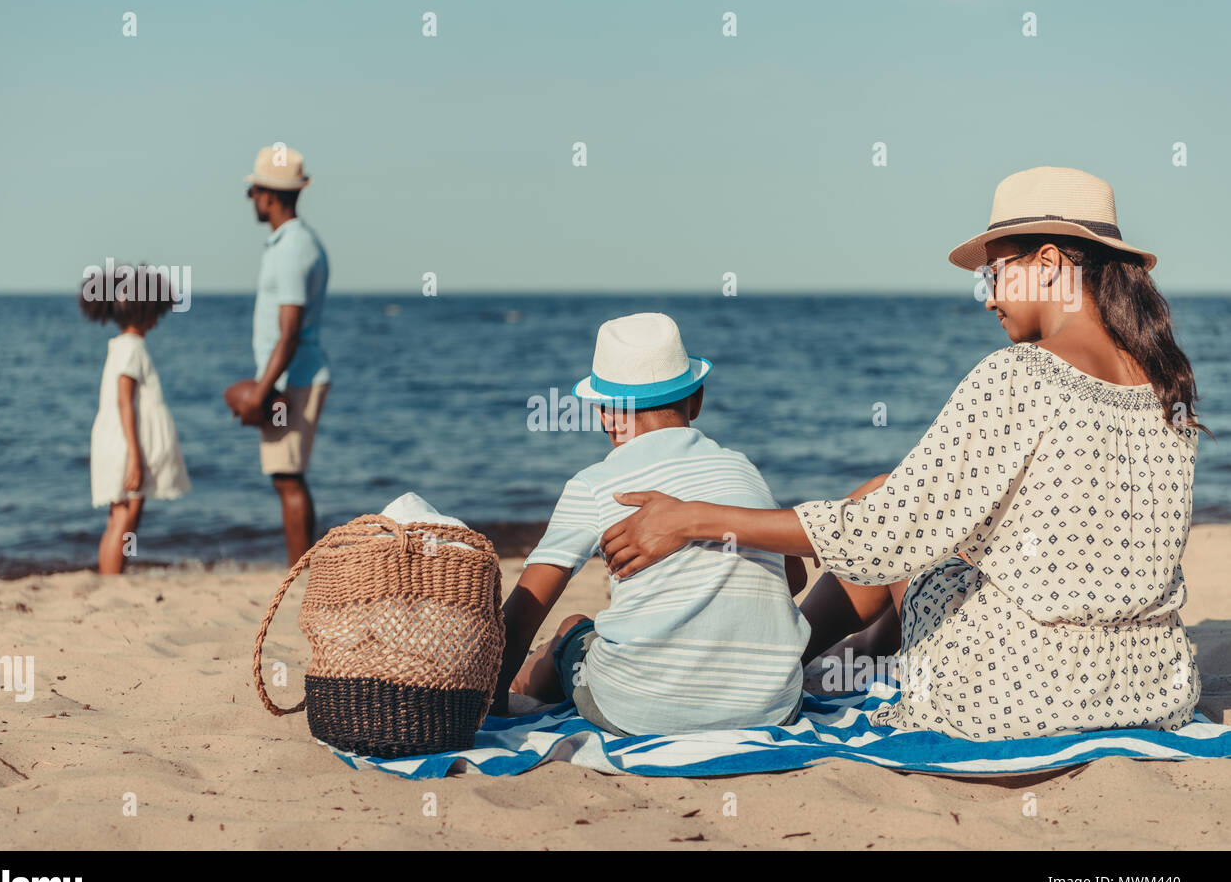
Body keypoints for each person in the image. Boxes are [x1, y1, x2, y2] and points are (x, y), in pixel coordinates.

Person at [599, 167, 1206, 740]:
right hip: (1151, 688)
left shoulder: (1019, 375)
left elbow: (882, 535)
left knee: (882, 511)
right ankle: (847, 650)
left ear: (1047, 264)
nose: (990, 298)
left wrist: (693, 517)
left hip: (1025, 695)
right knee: (907, 513)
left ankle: (790, 655)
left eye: (994, 275)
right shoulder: (1166, 383)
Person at [491, 312, 813, 736]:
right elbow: (791, 579)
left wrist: (488, 703)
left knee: (571, 630)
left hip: (637, 712)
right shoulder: (740, 468)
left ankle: (519, 689)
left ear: (606, 415)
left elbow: (528, 606)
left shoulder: (596, 484)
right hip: (771, 708)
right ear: (695, 401)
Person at [230, 145, 331, 565]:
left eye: (253, 189)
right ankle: (300, 570)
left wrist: (262, 392)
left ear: (269, 194)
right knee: (286, 477)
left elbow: (288, 334)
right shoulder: (292, 242)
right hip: (294, 376)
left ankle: (299, 574)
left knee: (288, 478)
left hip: (295, 379)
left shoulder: (292, 248)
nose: (250, 197)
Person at [81, 263, 191, 574]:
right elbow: (124, 401)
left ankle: (109, 575)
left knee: (121, 513)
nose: (159, 318)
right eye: (157, 310)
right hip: (125, 444)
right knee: (128, 512)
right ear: (143, 311)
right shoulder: (131, 349)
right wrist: (135, 456)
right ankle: (113, 575)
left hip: (117, 440)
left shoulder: (123, 347)